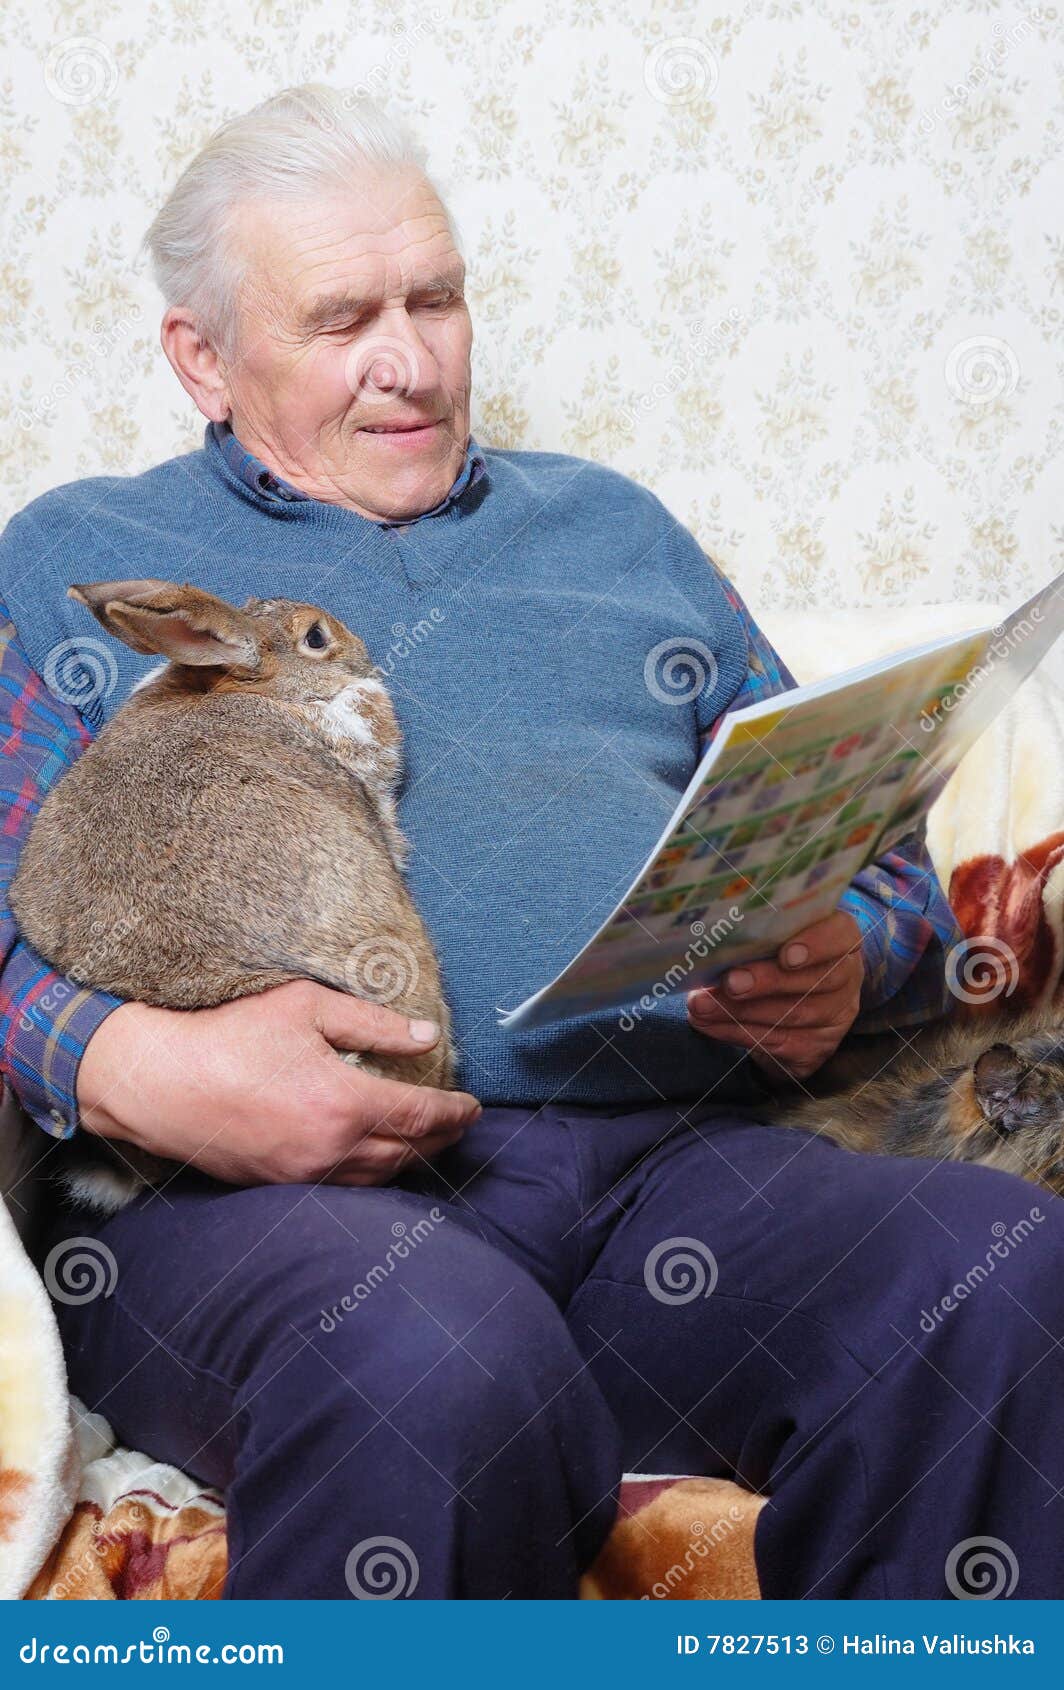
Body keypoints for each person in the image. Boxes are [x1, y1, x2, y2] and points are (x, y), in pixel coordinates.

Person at [2, 84, 1062, 1600]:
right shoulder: (67, 563)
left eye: (436, 297)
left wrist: (851, 955)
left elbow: (869, 846)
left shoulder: (618, 534)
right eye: (344, 316)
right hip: (264, 1211)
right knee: (429, 1360)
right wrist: (125, 1064)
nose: (411, 359)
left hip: (665, 1180)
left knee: (1005, 1272)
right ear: (203, 359)